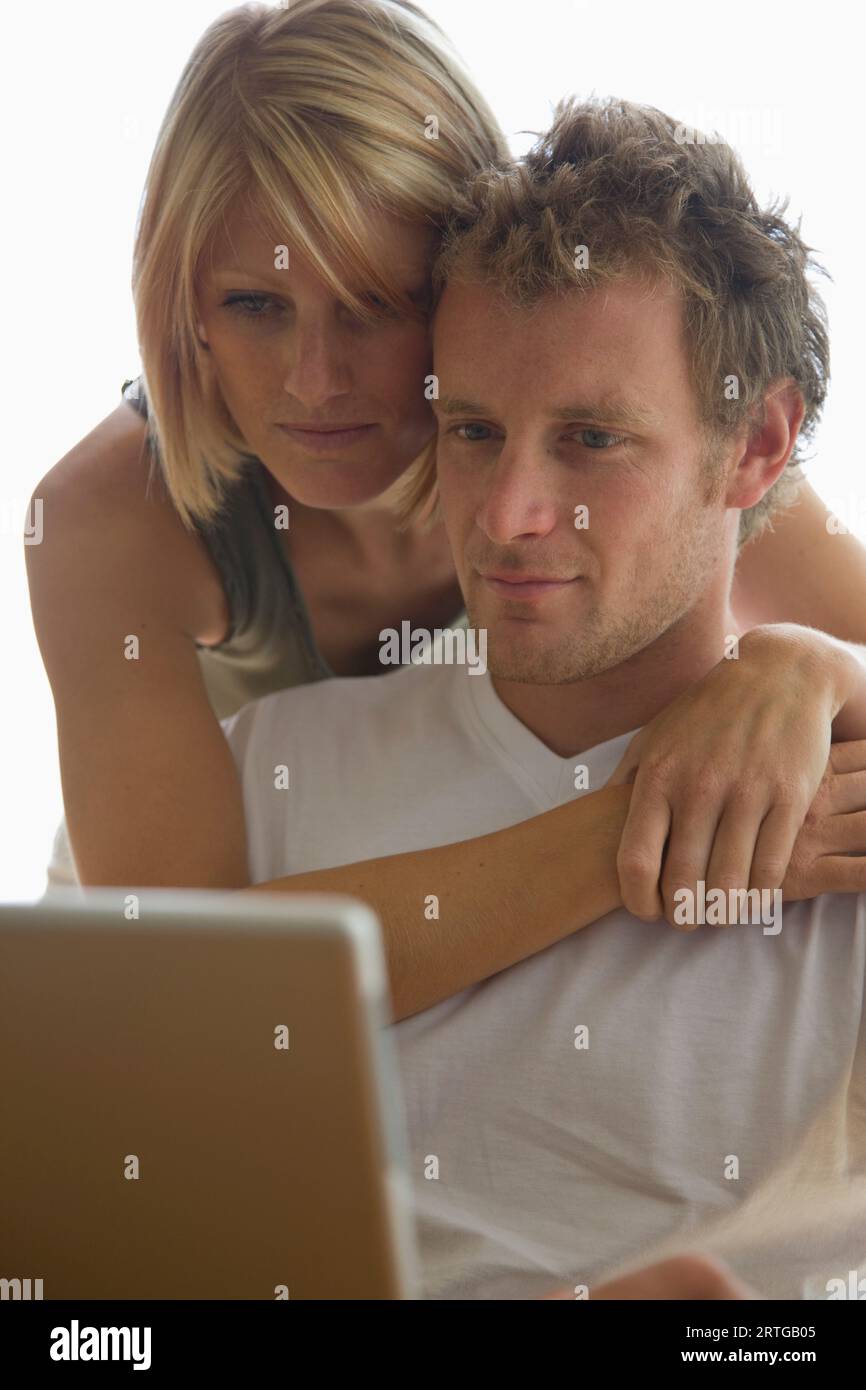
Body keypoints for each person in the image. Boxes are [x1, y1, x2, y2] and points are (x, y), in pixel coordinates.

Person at [27, 1, 866, 1028]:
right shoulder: (103, 518)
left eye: (373, 304)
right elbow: (185, 988)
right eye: (256, 304)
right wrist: (640, 828)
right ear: (182, 306)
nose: (315, 381)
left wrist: (811, 666)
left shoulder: (641, 421)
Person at [220, 96, 866, 1299]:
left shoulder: (841, 810)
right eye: (471, 429)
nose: (509, 514)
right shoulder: (264, 772)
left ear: (757, 444)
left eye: (589, 440)